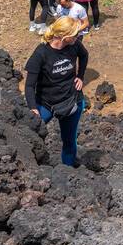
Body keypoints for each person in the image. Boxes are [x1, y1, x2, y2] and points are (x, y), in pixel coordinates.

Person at [25, 16, 89, 167]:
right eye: (75, 34)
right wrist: (33, 109)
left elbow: (84, 55)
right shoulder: (41, 53)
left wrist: (80, 77)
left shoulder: (74, 45)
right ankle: (31, 166)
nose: (78, 36)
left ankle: (68, 171)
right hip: (45, 103)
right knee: (31, 132)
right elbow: (29, 86)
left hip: (71, 100)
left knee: (69, 139)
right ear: (64, 36)